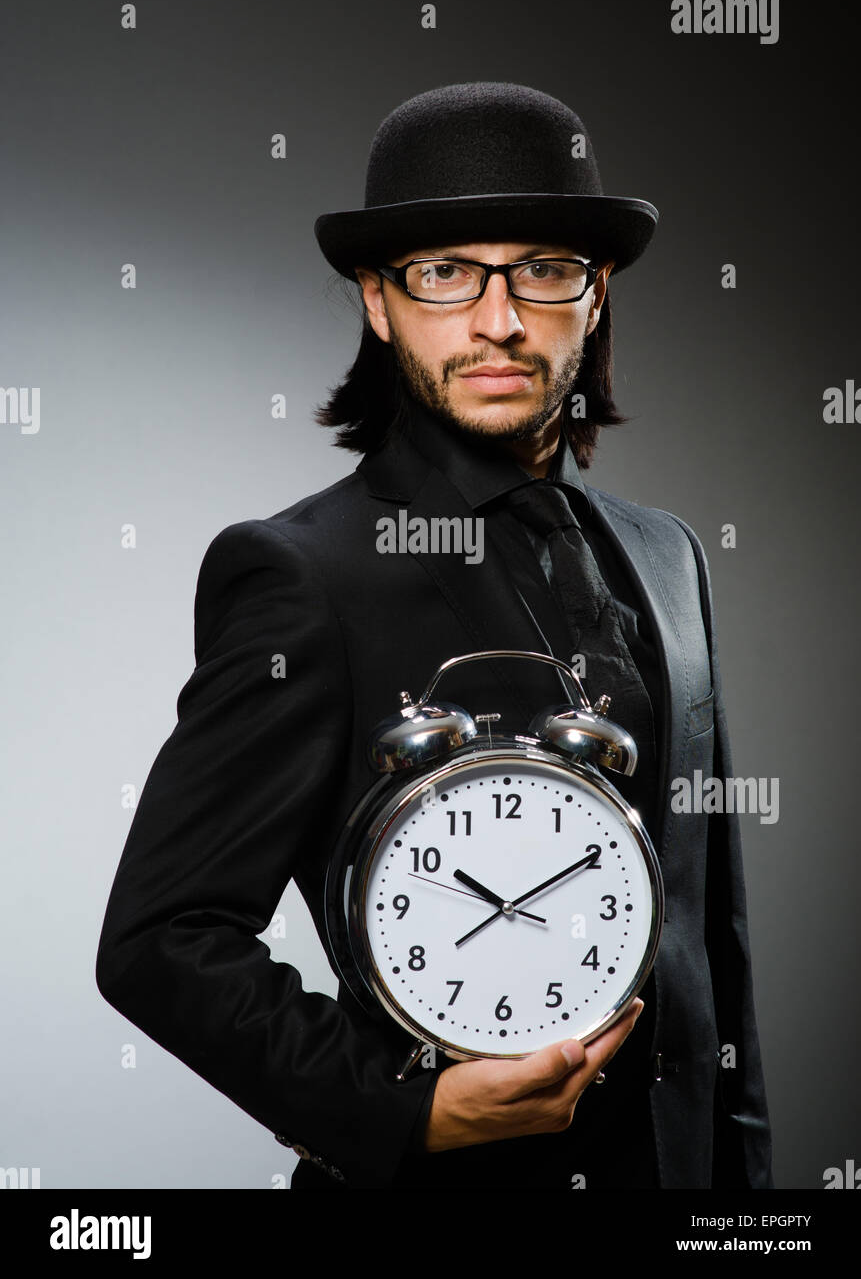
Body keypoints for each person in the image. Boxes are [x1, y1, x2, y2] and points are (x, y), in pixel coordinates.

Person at [95, 81, 773, 1190]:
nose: (497, 319)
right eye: (447, 273)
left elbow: (709, 941)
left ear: (592, 296)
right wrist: (400, 1112)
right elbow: (160, 941)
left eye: (542, 271)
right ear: (379, 301)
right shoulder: (300, 574)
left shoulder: (669, 555)